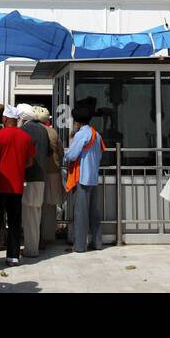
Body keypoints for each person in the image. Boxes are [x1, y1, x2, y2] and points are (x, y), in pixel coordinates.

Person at [0, 104, 36, 266]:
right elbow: (29, 162)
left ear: (5, 118)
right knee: (15, 221)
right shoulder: (26, 137)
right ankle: (13, 256)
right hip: (16, 185)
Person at [63, 106, 105, 253]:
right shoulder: (96, 134)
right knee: (94, 213)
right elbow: (100, 154)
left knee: (81, 213)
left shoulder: (82, 134)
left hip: (82, 178)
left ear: (77, 122)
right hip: (93, 177)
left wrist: (65, 155)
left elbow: (72, 155)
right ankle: (97, 242)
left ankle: (80, 246)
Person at [20, 104, 51, 258]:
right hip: (41, 177)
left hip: (31, 176)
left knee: (29, 215)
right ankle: (34, 245)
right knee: (36, 214)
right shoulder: (43, 129)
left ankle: (31, 250)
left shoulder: (25, 130)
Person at [36, 106, 63, 248]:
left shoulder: (33, 130)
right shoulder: (53, 132)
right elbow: (60, 152)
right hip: (53, 171)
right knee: (50, 205)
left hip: (38, 172)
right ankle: (48, 236)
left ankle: (36, 235)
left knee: (36, 205)